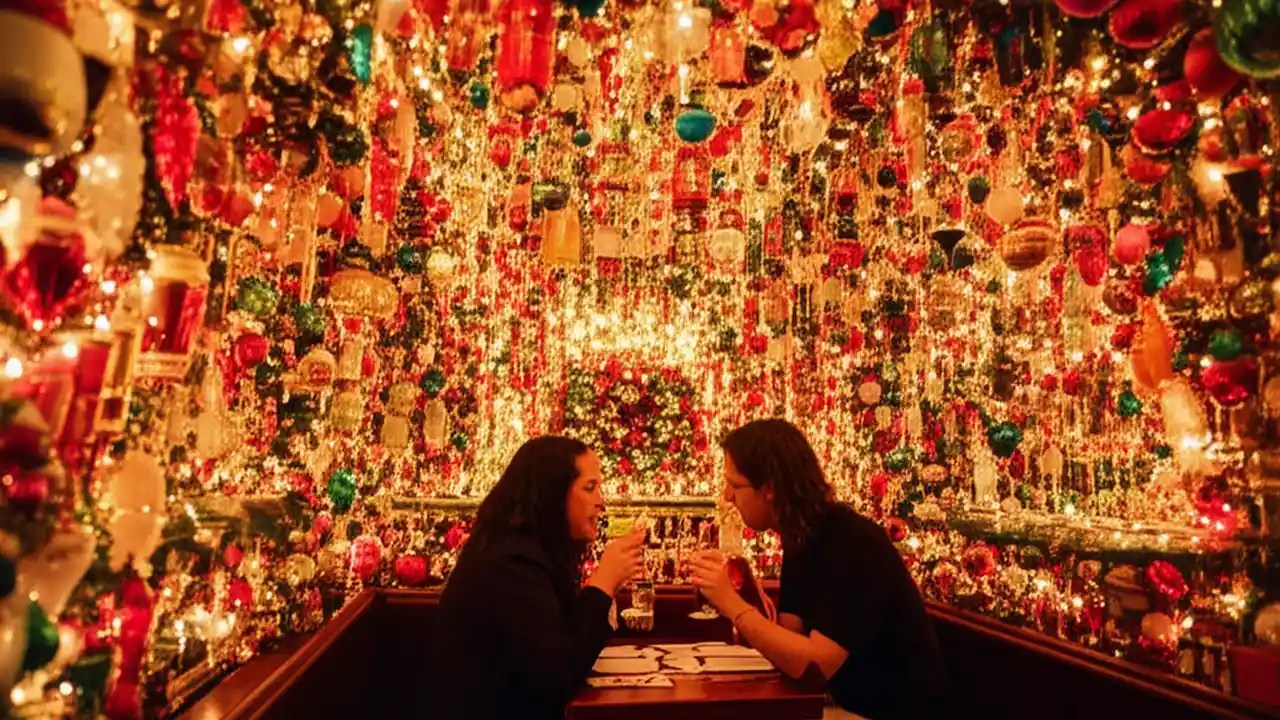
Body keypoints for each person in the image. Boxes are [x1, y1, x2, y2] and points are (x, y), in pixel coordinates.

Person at [690, 419, 947, 720]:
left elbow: (814, 665)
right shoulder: (801, 536)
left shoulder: (852, 542)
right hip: (837, 706)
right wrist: (742, 594)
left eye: (735, 485)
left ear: (769, 487)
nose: (726, 496)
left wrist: (732, 605)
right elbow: (788, 642)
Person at [429, 436, 645, 720]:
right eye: (590, 488)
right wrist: (603, 583)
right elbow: (556, 674)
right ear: (552, 495)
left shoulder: (533, 551)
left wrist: (607, 584)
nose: (600, 501)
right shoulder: (508, 564)